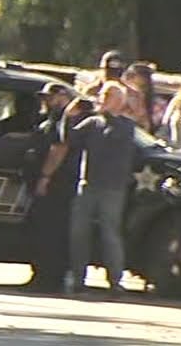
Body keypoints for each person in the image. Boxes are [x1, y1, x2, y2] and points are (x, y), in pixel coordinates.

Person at [39, 83, 139, 296]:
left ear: (116, 100)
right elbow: (68, 140)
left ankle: (115, 280)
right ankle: (78, 278)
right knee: (78, 233)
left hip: (112, 188)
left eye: (105, 96)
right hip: (88, 185)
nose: (100, 99)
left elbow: (111, 137)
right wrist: (69, 116)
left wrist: (106, 115)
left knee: (109, 234)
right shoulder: (92, 123)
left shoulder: (126, 126)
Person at [23, 81, 82, 292]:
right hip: (47, 185)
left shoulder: (65, 120)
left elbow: (59, 149)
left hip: (57, 186)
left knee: (52, 233)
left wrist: (45, 177)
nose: (46, 101)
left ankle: (50, 279)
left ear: (62, 97)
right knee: (40, 231)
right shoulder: (50, 120)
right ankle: (40, 276)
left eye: (50, 97)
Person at [121, 62, 156, 131]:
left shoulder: (147, 95)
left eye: (147, 76)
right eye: (143, 75)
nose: (146, 79)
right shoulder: (120, 92)